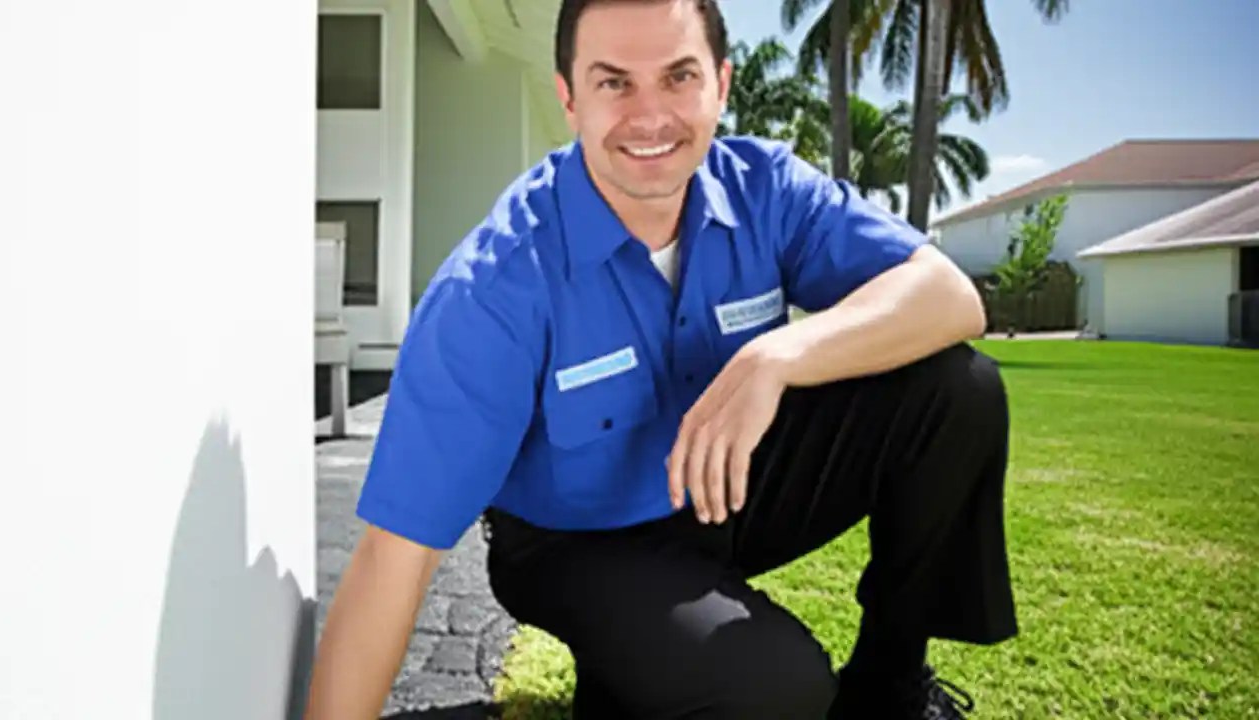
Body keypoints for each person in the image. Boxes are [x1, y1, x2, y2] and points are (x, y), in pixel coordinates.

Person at [304, 0, 1018, 717]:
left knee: (960, 391)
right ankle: (635, 659)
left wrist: (776, 355)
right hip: (577, 542)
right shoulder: (496, 286)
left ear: (721, 84)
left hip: (723, 484)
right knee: (778, 691)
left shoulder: (764, 187)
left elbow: (950, 296)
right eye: (614, 82)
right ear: (568, 97)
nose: (651, 117)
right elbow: (393, 558)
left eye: (678, 76)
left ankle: (886, 690)